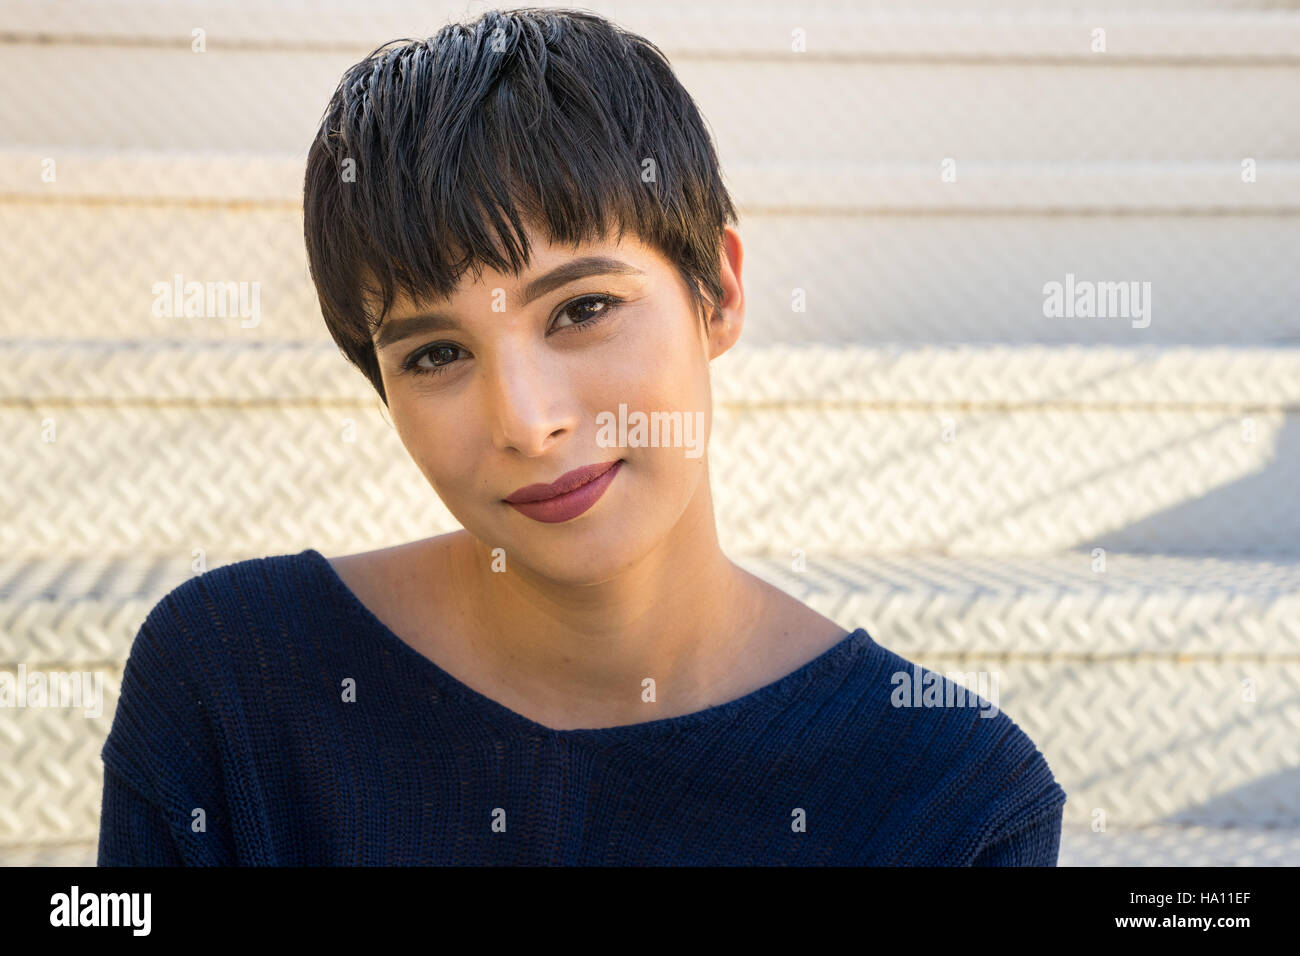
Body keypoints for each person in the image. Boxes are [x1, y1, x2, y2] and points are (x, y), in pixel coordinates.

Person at [97, 6, 1066, 866]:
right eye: (436, 354)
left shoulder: (950, 799)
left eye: (583, 306)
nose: (525, 419)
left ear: (718, 291)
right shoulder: (229, 679)